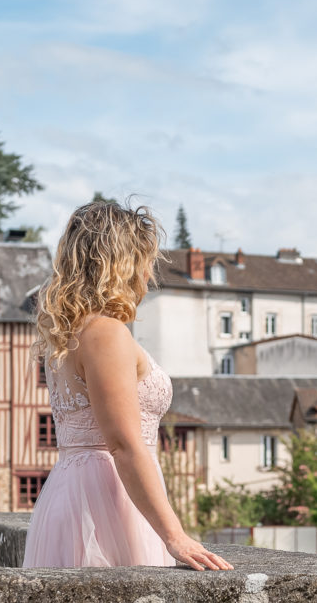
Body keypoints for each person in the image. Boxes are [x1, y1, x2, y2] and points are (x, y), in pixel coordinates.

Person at [23, 200, 231, 571]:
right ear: (124, 262)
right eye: (147, 259)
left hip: (75, 493)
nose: (150, 272)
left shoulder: (70, 331)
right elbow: (122, 444)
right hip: (107, 503)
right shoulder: (105, 332)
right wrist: (175, 535)